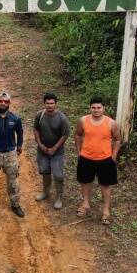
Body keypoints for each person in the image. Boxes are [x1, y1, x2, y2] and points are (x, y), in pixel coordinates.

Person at [75, 97, 121, 225]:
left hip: (105, 159)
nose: (96, 110)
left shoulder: (111, 123)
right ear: (90, 108)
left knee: (105, 185)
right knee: (85, 182)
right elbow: (78, 135)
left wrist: (114, 156)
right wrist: (79, 151)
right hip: (86, 157)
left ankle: (106, 211)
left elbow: (117, 139)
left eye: (99, 107)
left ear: (103, 108)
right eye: (93, 107)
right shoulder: (83, 121)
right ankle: (85, 204)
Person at [33, 92, 70, 210]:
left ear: (56, 104)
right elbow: (36, 129)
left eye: (52, 103)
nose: (49, 105)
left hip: (57, 153)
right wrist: (39, 143)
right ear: (44, 103)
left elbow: (65, 135)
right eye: (47, 103)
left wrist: (54, 149)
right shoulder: (40, 115)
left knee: (58, 175)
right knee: (45, 172)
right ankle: (46, 192)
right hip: (42, 151)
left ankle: (59, 197)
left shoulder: (62, 118)